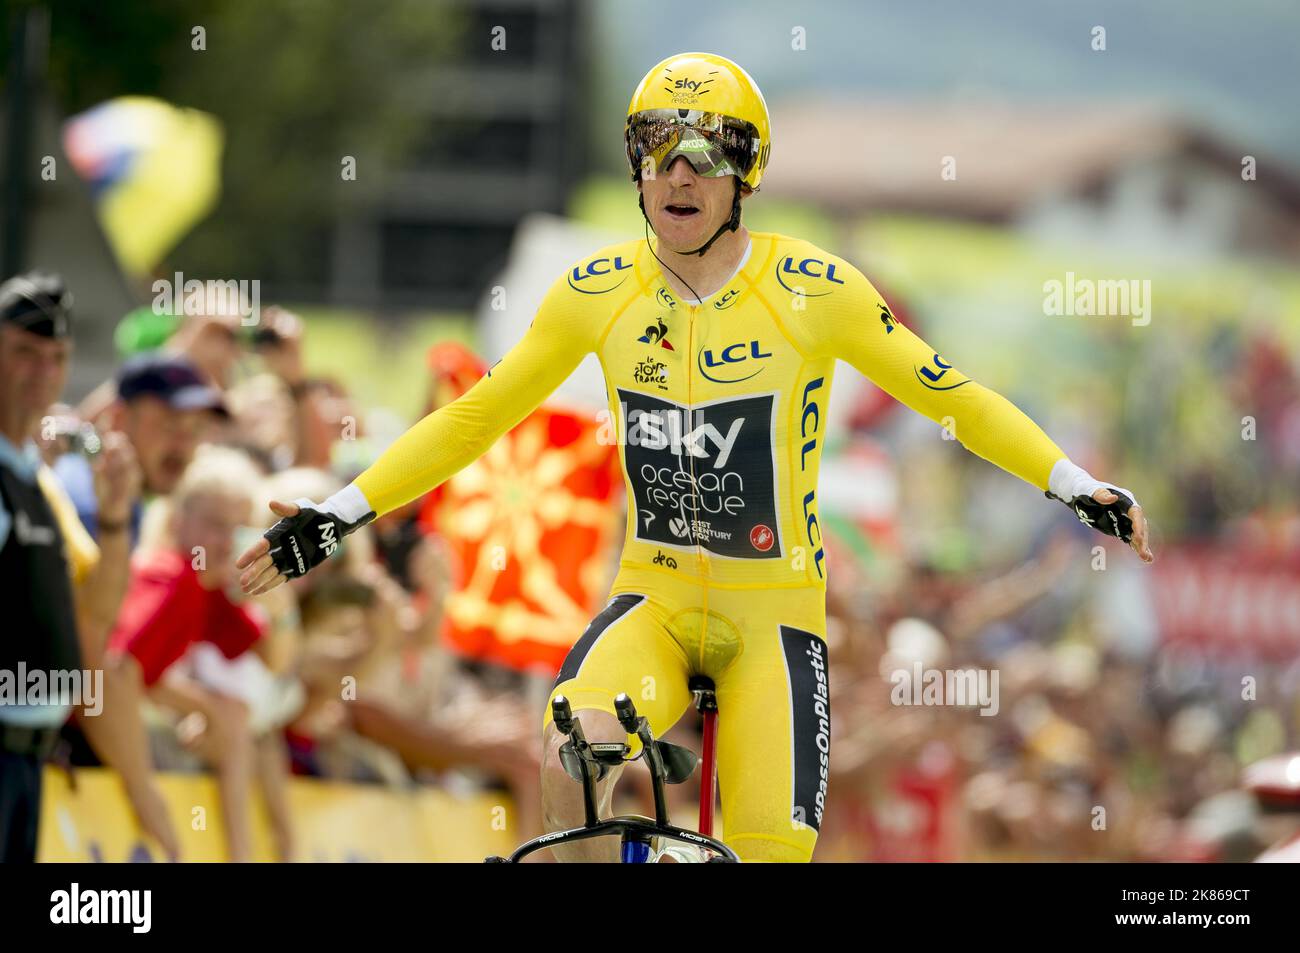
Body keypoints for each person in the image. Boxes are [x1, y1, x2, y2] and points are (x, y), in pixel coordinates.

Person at [236, 52, 1154, 862]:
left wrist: (1072, 485)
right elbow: (476, 417)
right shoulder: (595, 290)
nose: (677, 173)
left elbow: (950, 397)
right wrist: (336, 516)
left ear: (744, 174)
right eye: (655, 150)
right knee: (575, 747)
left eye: (705, 153)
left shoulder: (814, 288)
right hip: (656, 600)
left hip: (774, 624)